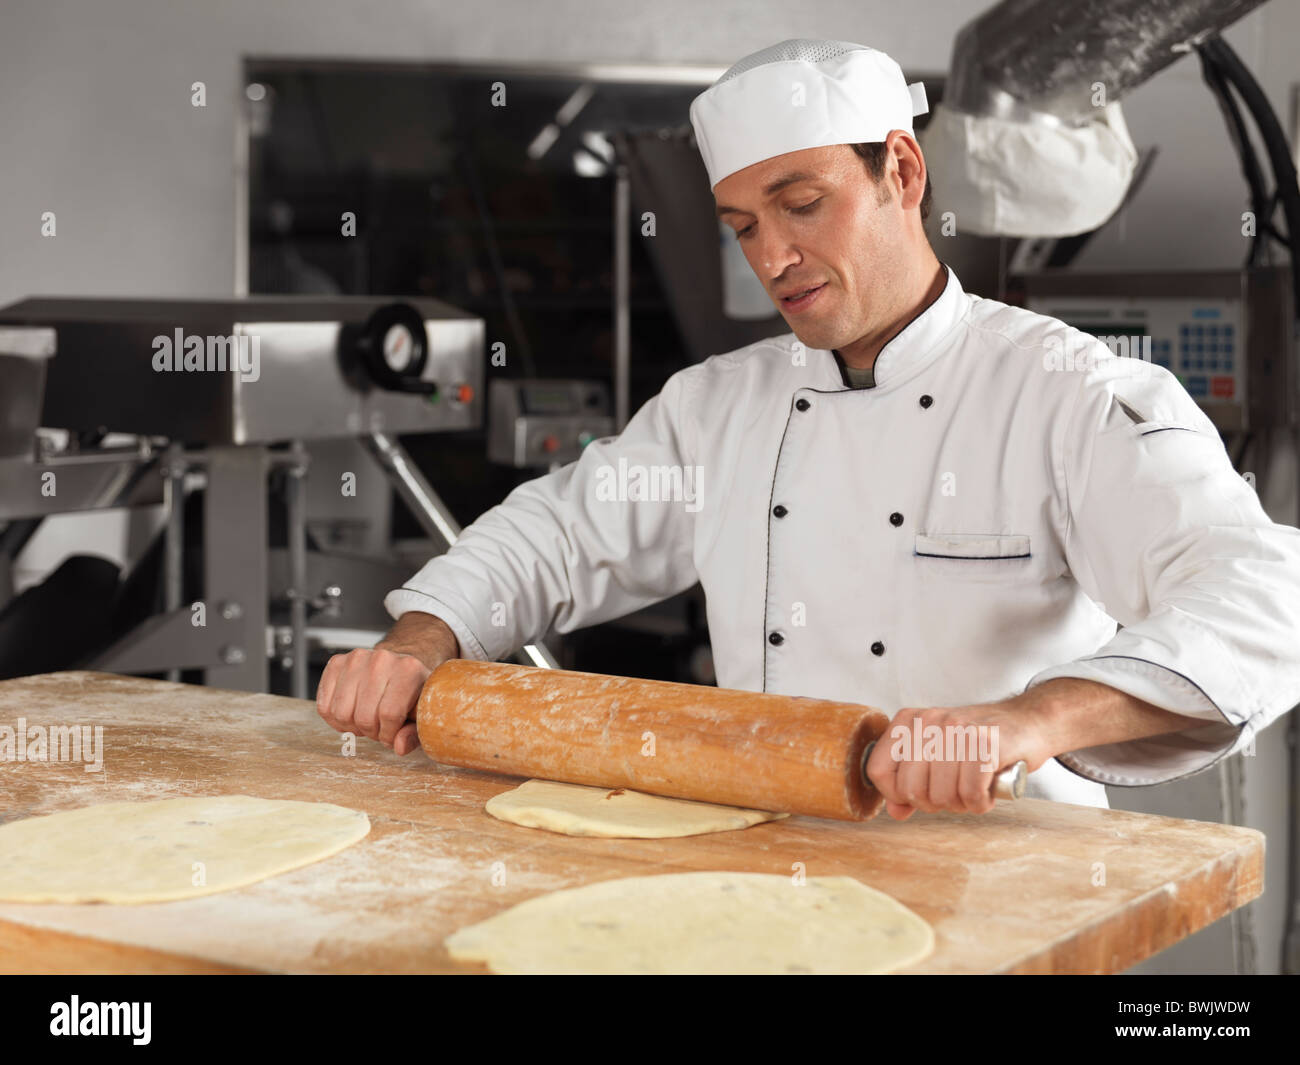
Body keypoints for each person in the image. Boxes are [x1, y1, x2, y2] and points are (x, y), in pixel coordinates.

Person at [317, 39, 1300, 820]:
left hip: (1009, 878)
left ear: (901, 172)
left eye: (800, 203)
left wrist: (1027, 721)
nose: (772, 253)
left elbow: (1266, 600)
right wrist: (418, 639)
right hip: (767, 863)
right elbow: (558, 537)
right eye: (742, 224)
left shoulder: (1068, 393)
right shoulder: (719, 408)